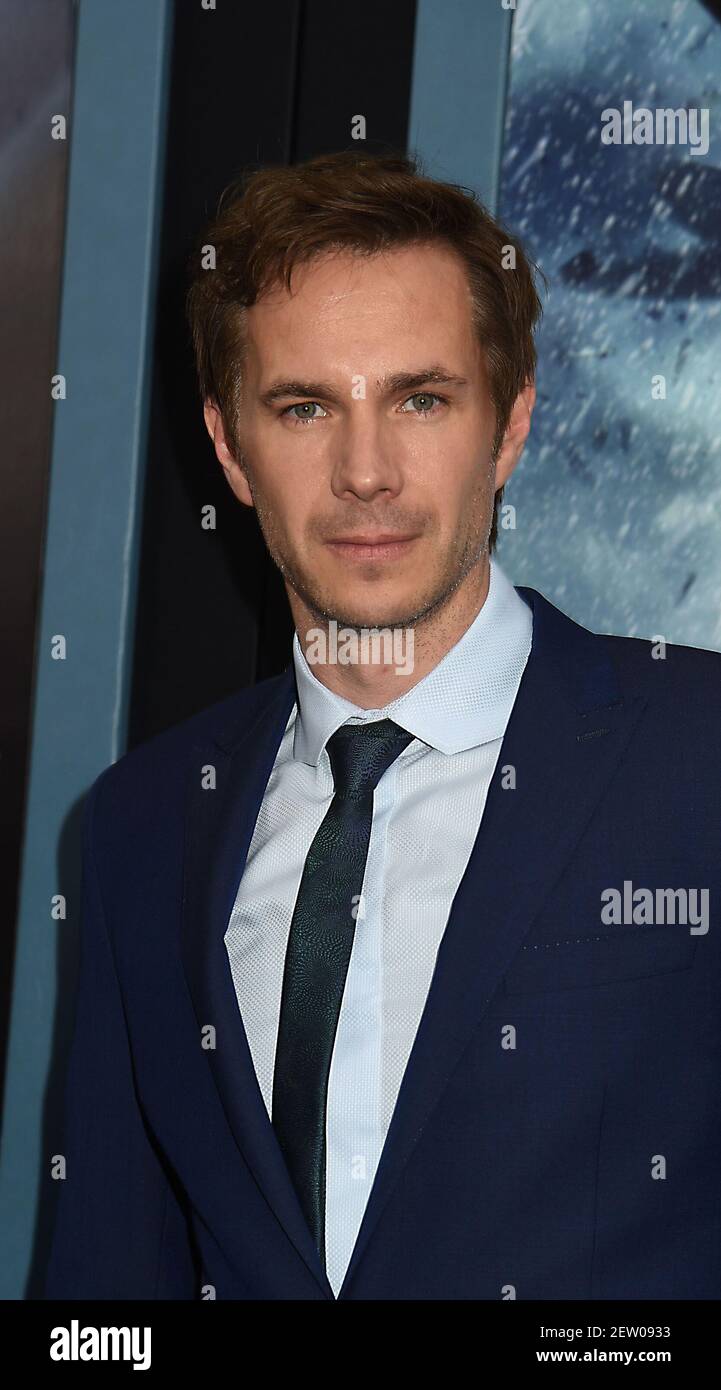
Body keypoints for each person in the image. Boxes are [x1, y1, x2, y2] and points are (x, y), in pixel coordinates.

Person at [45, 151, 721, 1300]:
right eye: (305, 407)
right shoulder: (139, 830)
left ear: (509, 427)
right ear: (228, 449)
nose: (365, 472)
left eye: (419, 399)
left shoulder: (698, 754)